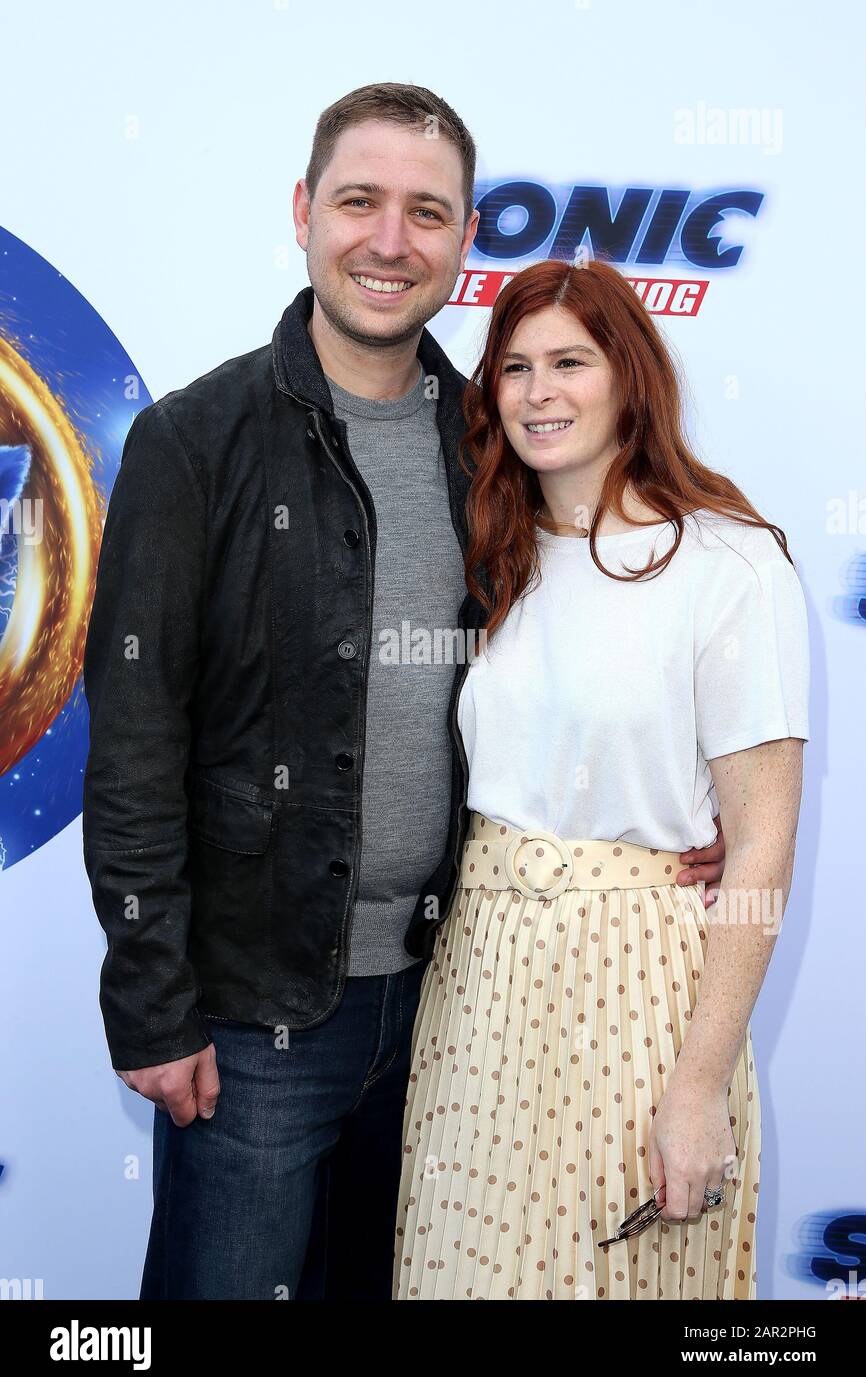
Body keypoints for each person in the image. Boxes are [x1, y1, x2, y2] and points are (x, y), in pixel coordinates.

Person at [81, 84, 727, 1302]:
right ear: (301, 212)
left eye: (426, 212)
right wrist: (151, 1003)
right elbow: (131, 739)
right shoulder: (194, 440)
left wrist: (681, 806)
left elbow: (591, 647)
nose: (390, 241)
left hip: (462, 1000)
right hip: (250, 1011)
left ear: (463, 240)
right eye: (359, 202)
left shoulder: (497, 443)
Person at [394, 256, 809, 1300]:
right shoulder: (491, 556)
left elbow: (759, 840)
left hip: (640, 988)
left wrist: (699, 1085)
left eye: (569, 362)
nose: (538, 393)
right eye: (515, 367)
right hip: (477, 981)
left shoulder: (728, 564)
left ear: (628, 376)